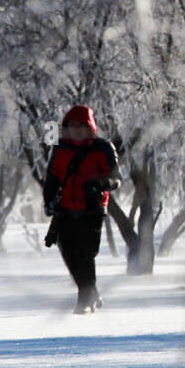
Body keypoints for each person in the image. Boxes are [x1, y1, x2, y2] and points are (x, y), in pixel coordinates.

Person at [42, 105, 120, 314]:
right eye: (71, 126)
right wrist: (48, 201)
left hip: (92, 208)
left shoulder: (103, 148)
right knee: (68, 252)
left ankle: (85, 299)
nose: (76, 130)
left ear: (90, 127)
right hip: (65, 208)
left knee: (85, 254)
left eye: (81, 126)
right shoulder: (59, 149)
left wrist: (99, 185)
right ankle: (90, 292)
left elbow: (116, 179)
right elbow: (52, 178)